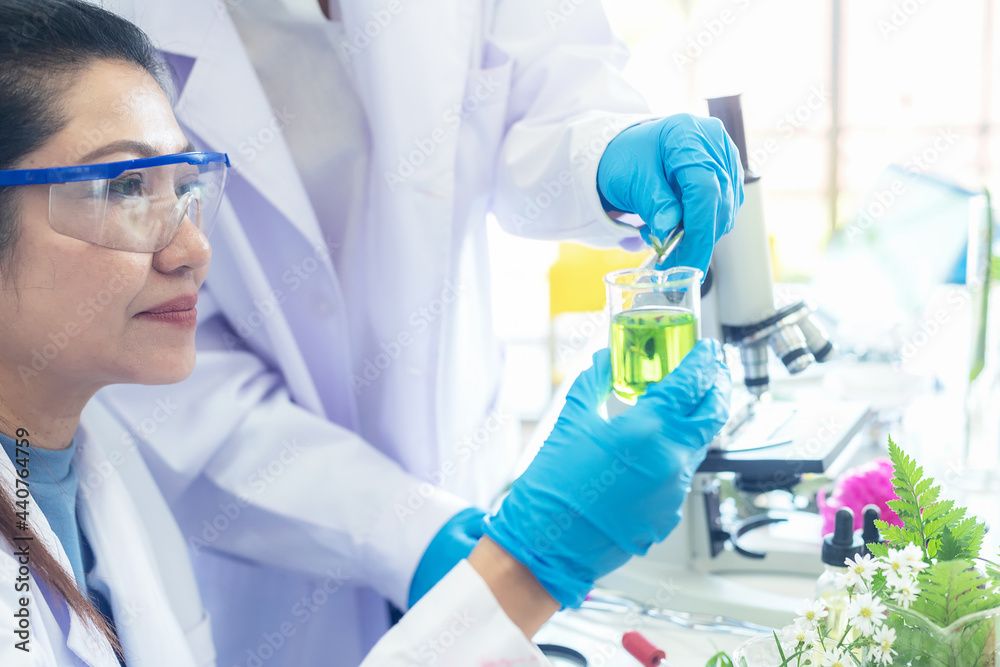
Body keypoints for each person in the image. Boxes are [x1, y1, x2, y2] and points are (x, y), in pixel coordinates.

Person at [0, 2, 731, 664]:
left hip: (454, 459)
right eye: (126, 187)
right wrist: (527, 562)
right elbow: (187, 404)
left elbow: (555, 91)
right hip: (270, 562)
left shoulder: (89, 491)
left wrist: (603, 152)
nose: (195, 247)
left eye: (188, 188)